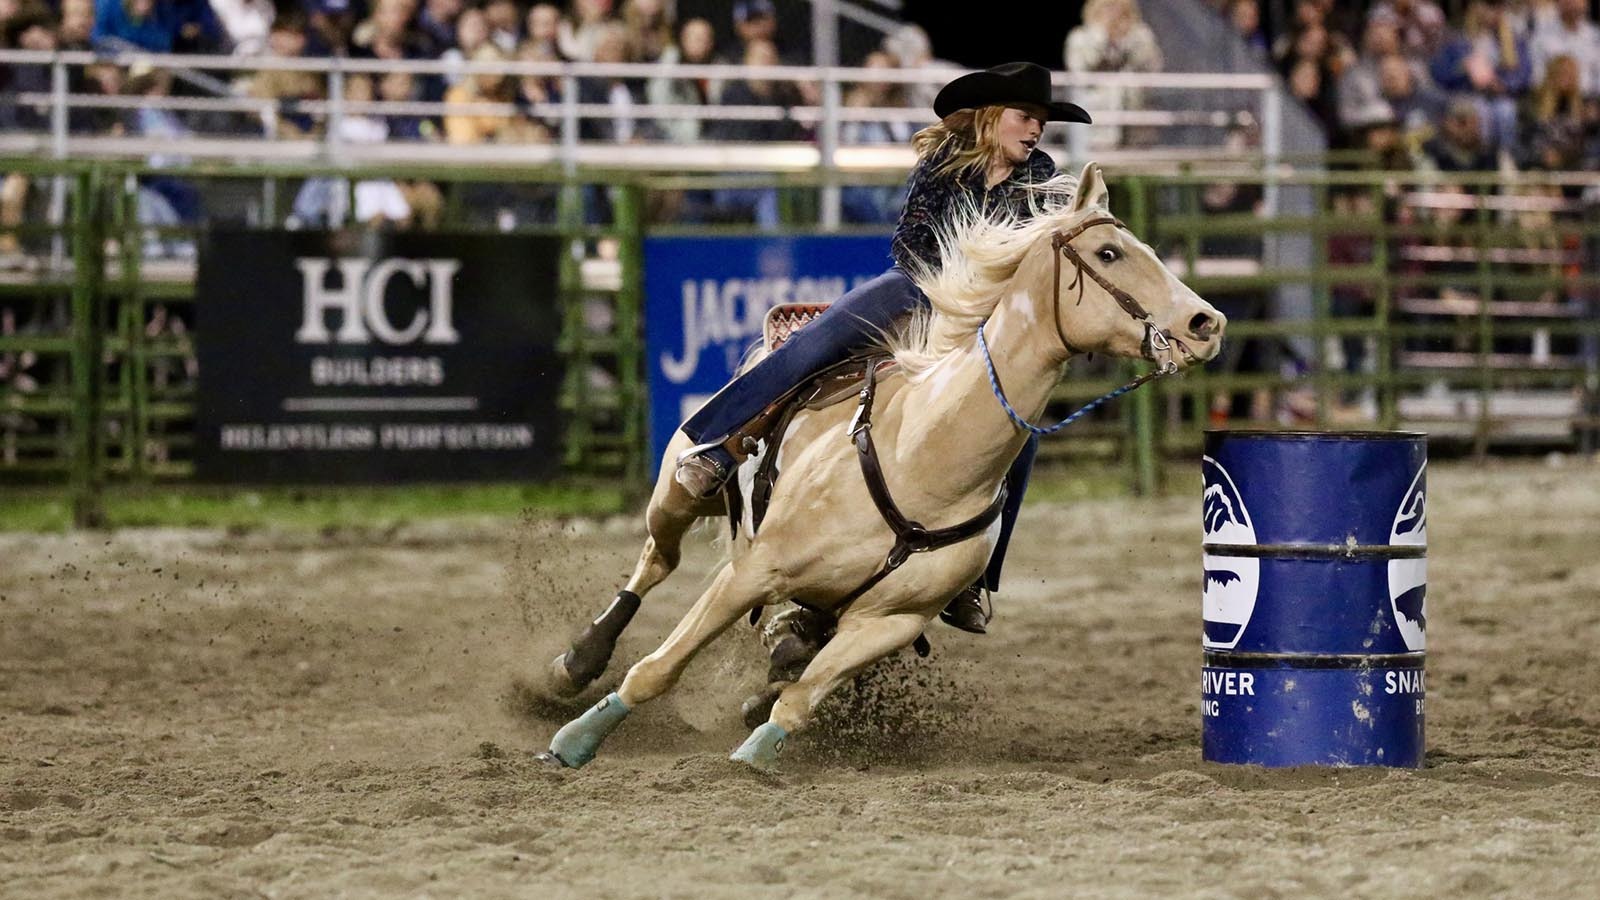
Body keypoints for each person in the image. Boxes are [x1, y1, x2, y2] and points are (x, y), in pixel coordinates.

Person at [673, 62, 1091, 634]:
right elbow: (911, 240)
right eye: (1026, 117)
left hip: (983, 323)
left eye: (1041, 121)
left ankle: (974, 577)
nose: (1036, 130)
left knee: (1018, 432)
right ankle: (720, 444)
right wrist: (959, 285)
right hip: (916, 289)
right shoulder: (945, 161)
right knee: (817, 344)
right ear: (993, 119)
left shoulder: (1042, 180)